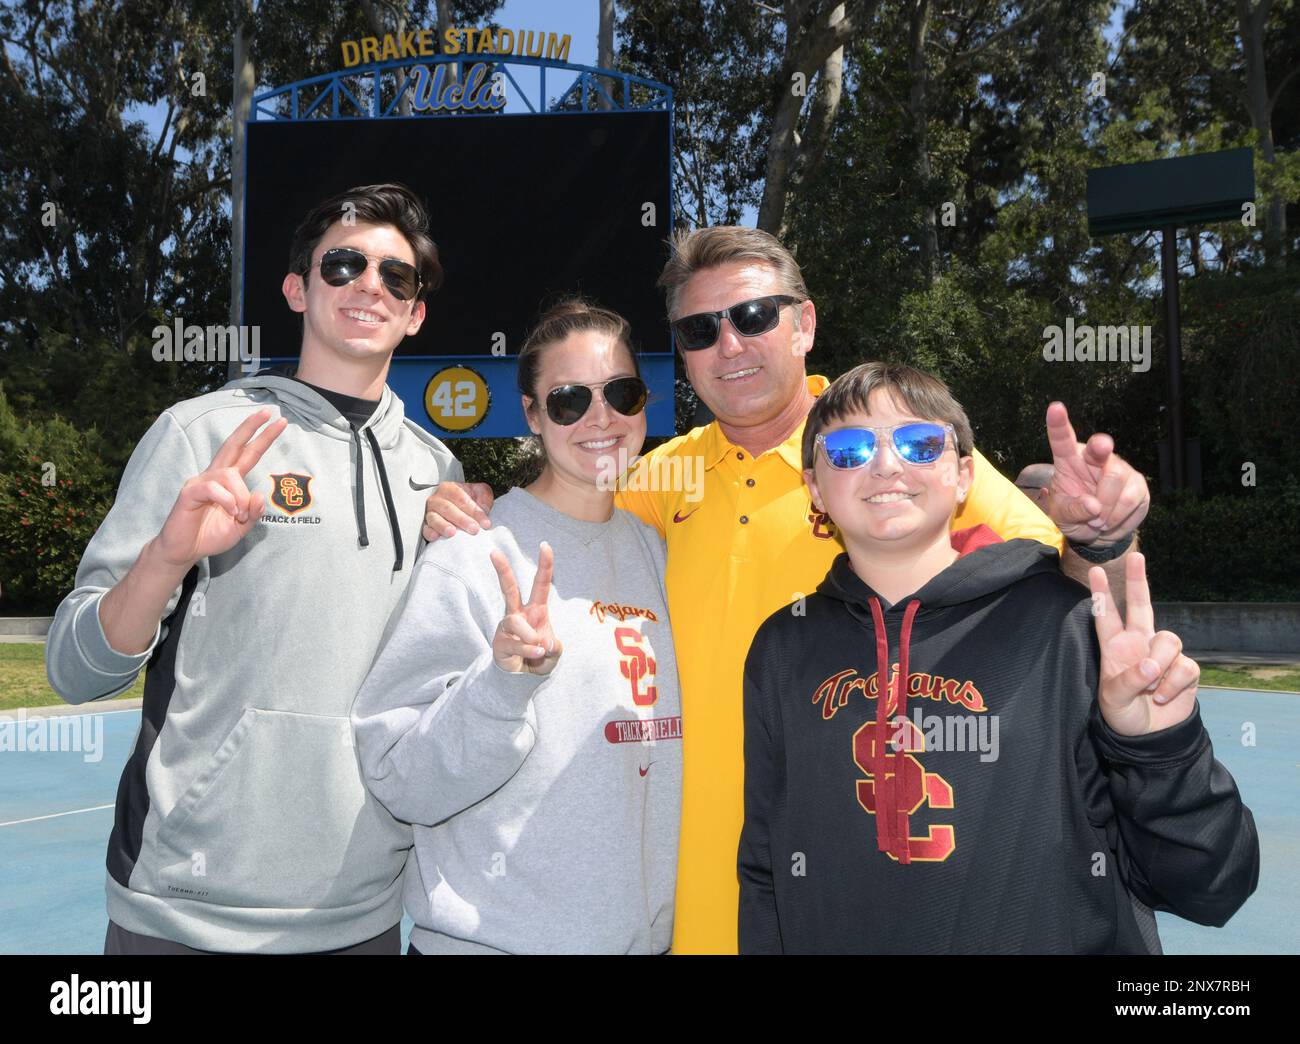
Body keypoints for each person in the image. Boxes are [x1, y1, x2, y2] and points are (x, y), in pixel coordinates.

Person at [421, 226, 1163, 954]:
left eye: (753, 316)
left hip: (867, 883)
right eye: (700, 330)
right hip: (694, 905)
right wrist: (466, 503)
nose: (730, 345)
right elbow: (566, 505)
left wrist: (1098, 535)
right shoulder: (657, 481)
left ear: (804, 323)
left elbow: (1069, 588)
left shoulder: (891, 461)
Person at [44, 183, 463, 954]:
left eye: (396, 277)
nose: (370, 285)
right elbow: (77, 670)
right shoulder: (200, 434)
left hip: (366, 912)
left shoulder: (439, 473)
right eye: (343, 265)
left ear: (415, 313)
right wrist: (166, 557)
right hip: (184, 913)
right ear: (298, 288)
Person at [738, 362, 1258, 953]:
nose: (886, 464)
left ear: (963, 477)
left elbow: (1213, 887)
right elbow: (765, 866)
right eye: (850, 448)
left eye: (918, 443)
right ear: (813, 488)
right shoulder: (781, 647)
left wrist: (1163, 750)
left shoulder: (1063, 623)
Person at [351, 299, 682, 955]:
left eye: (621, 392)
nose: (600, 418)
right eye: (568, 400)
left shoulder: (662, 554)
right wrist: (501, 685)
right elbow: (397, 776)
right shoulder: (471, 557)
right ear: (531, 414)